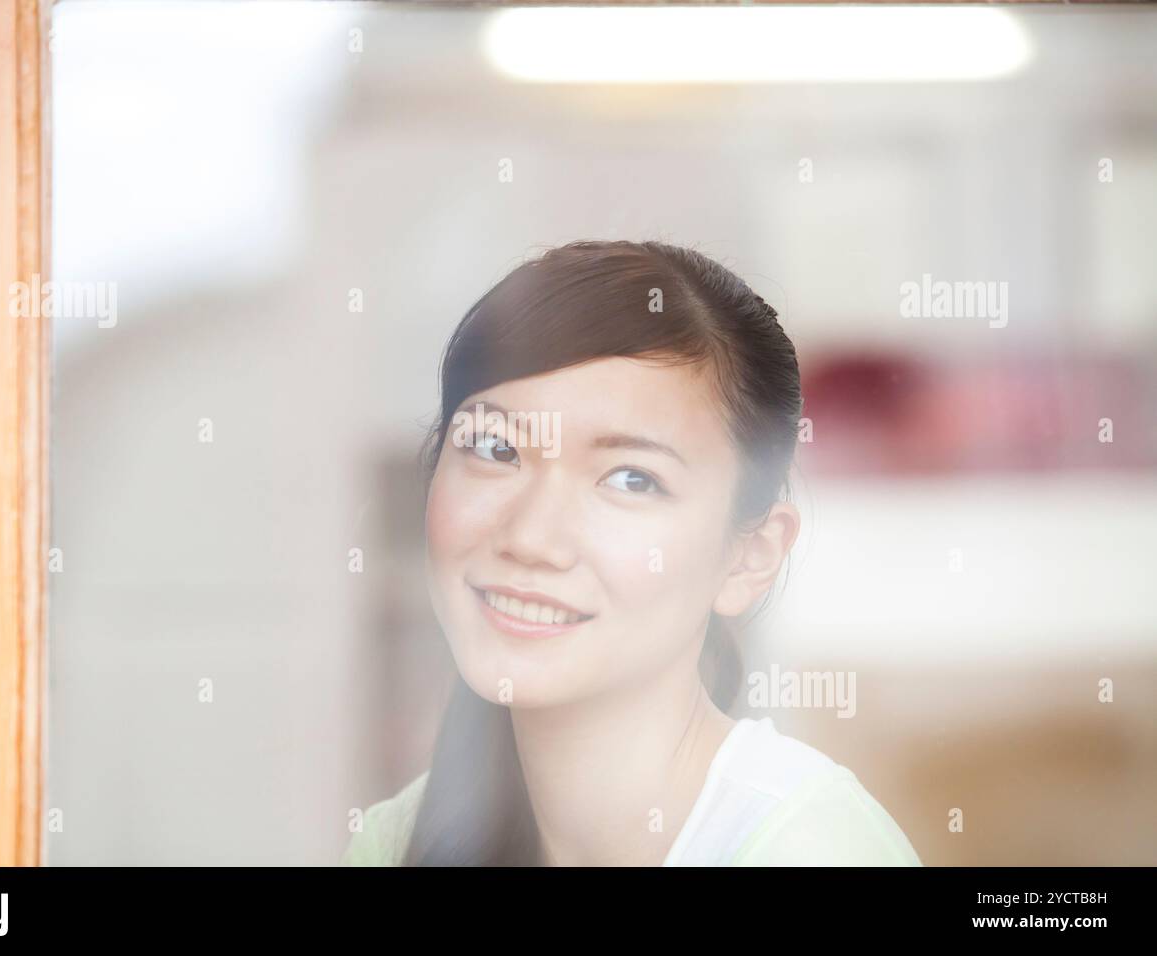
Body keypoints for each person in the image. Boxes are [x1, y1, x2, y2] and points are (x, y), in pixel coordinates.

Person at [343, 239, 922, 866]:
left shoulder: (812, 852)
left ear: (749, 556)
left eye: (631, 479)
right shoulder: (394, 843)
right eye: (494, 448)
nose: (531, 538)